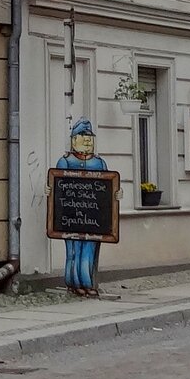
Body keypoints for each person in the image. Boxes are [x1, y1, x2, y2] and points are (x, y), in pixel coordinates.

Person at [56, 119, 109, 296]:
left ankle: (88, 283)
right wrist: (51, 190)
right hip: (70, 216)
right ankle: (73, 282)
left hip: (93, 217)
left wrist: (116, 194)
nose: (87, 140)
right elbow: (58, 186)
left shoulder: (99, 163)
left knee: (89, 250)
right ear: (73, 140)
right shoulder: (65, 161)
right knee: (73, 251)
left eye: (89, 137)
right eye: (82, 136)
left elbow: (108, 187)